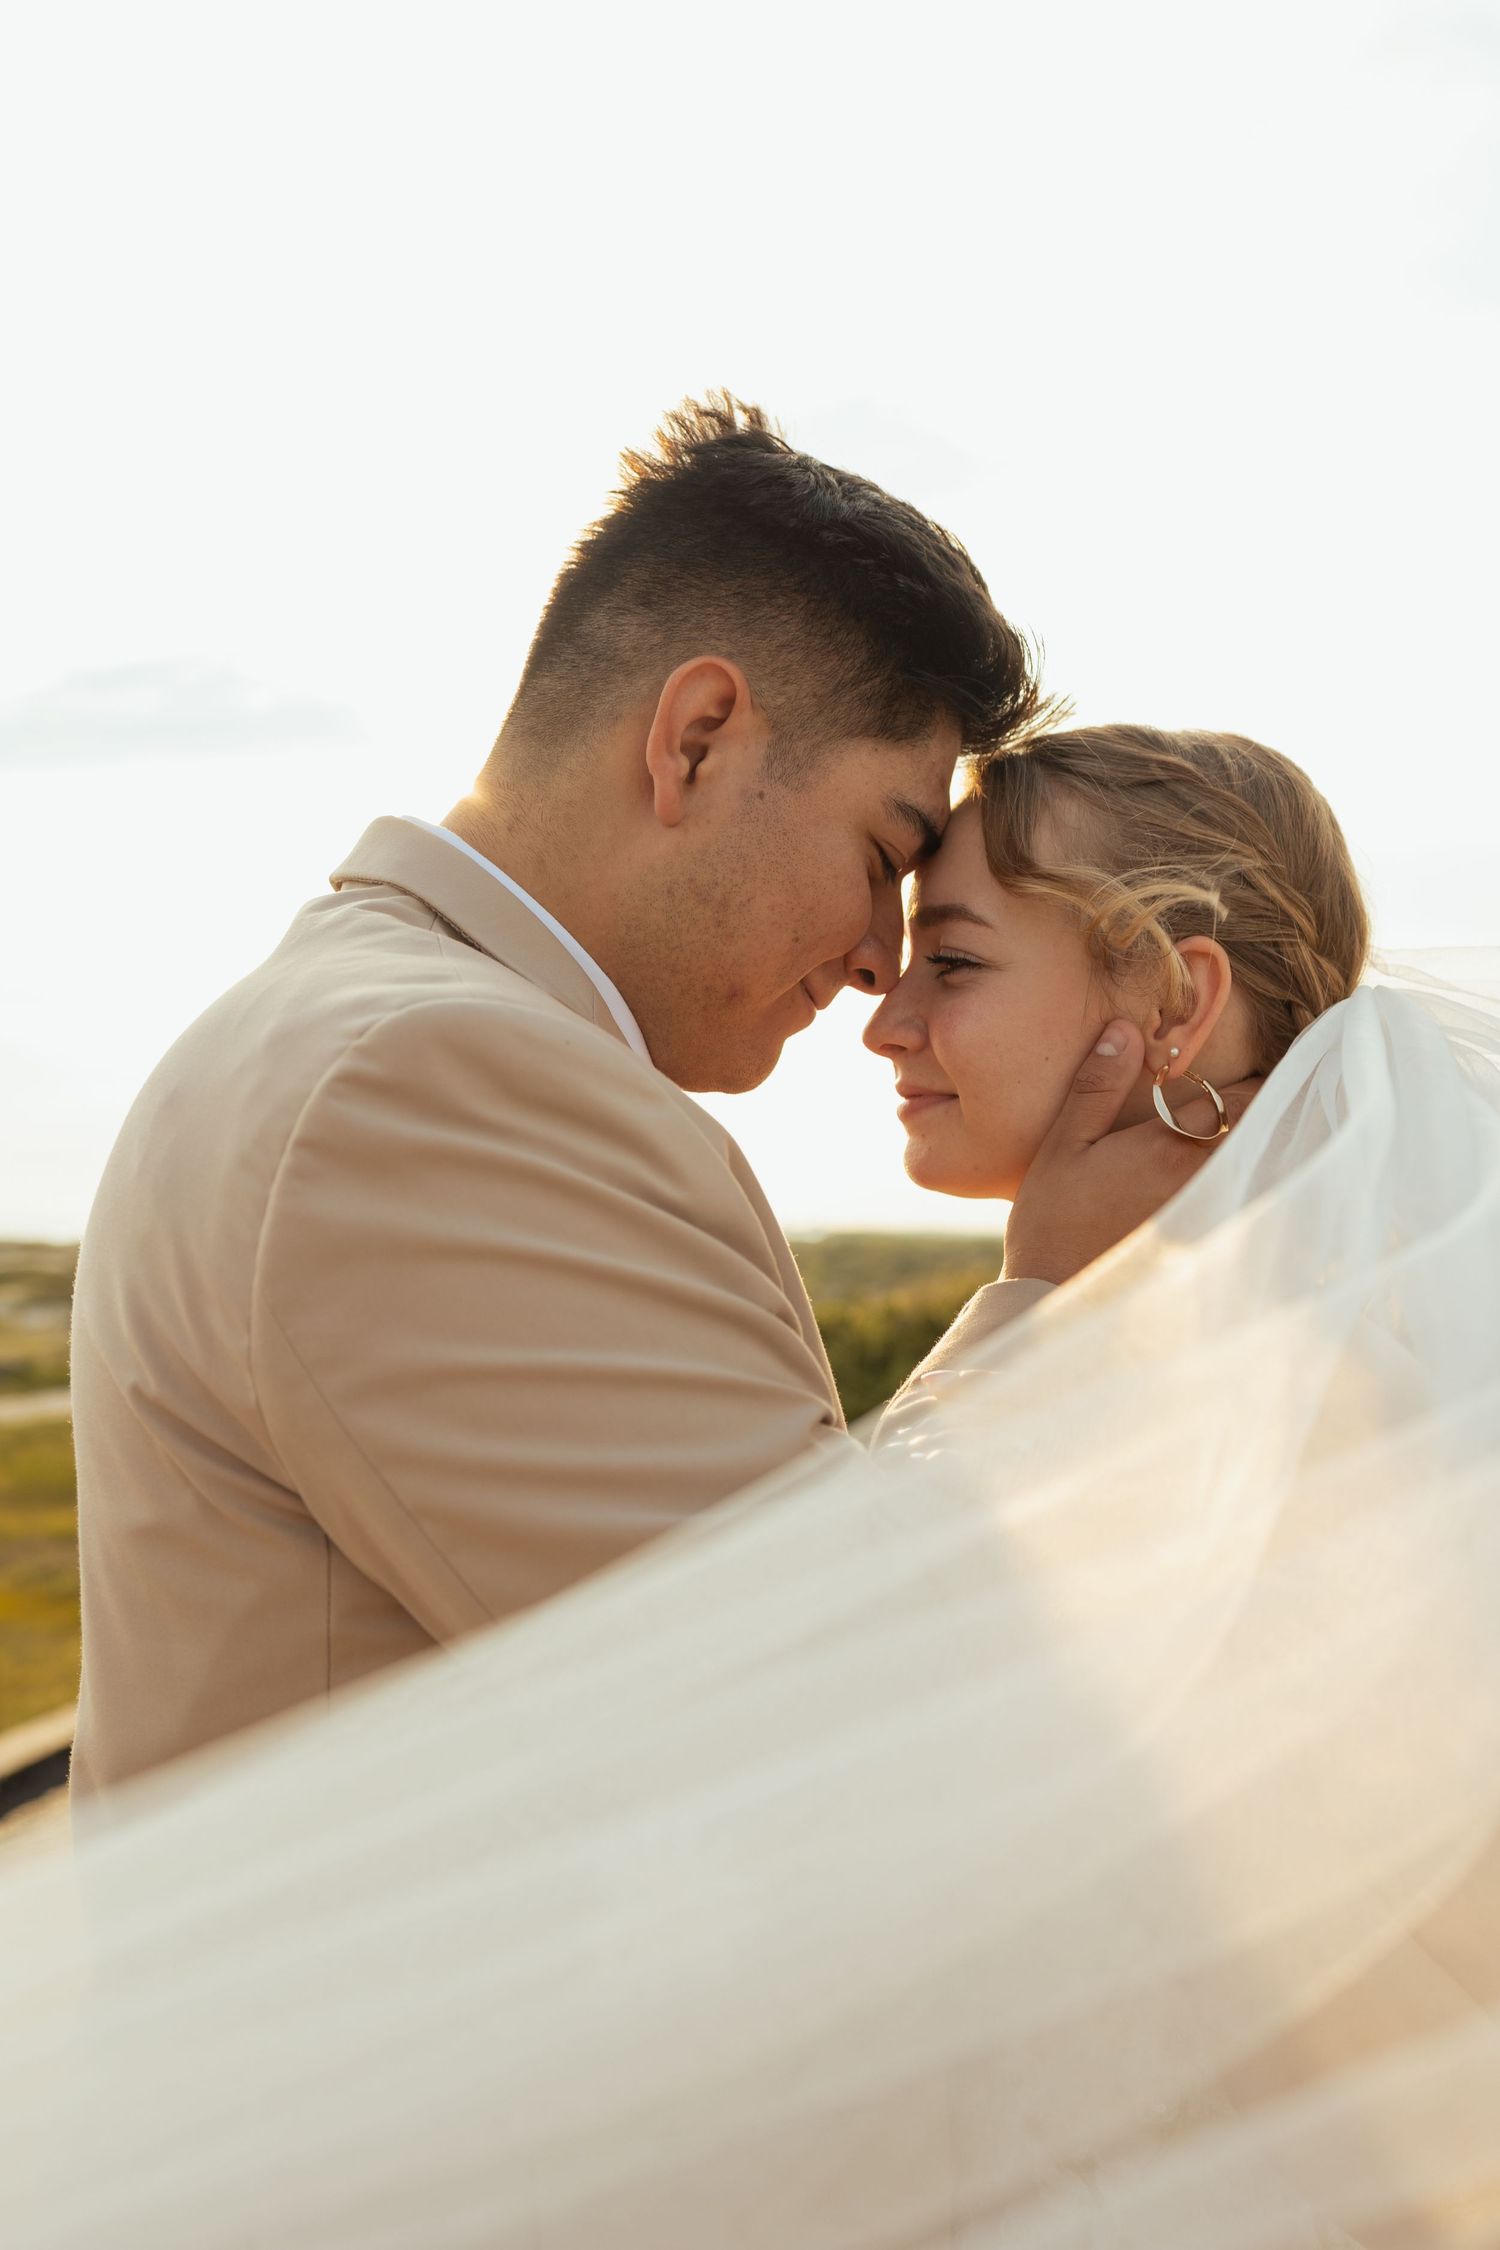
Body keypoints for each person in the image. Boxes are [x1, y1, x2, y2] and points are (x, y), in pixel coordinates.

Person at [6, 716, 1496, 2247]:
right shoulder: (1285, 1334)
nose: (884, 1014)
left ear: (1174, 1003)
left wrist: (1042, 1301)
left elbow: (889, 1733)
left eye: (957, 963)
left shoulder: (1275, 1396)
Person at [69, 399, 1242, 1806]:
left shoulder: (364, 1027)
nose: (881, 956)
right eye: (888, 848)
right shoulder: (424, 1086)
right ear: (695, 739)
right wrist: (1055, 1302)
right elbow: (846, 1712)